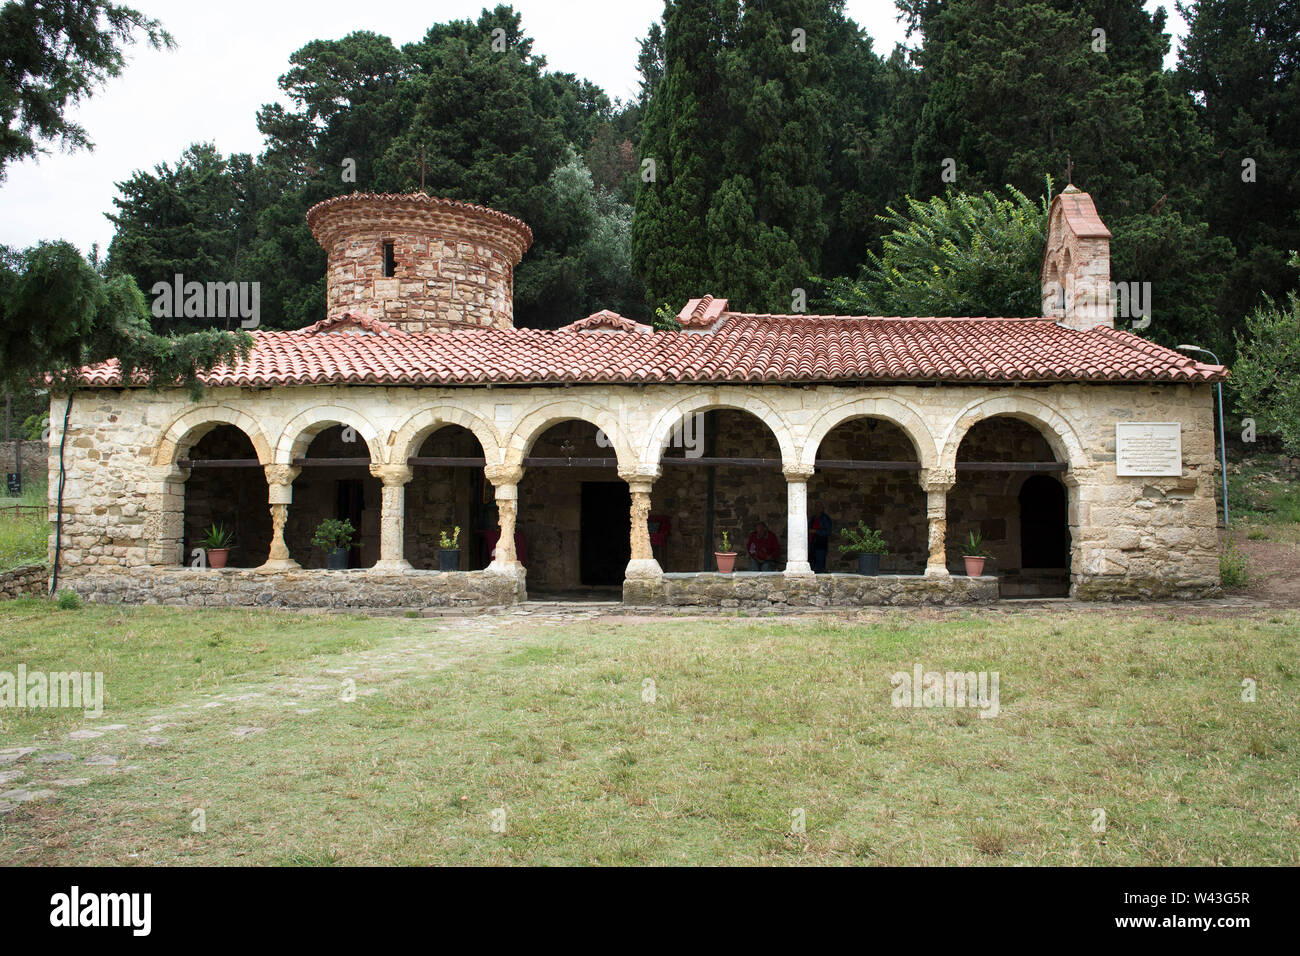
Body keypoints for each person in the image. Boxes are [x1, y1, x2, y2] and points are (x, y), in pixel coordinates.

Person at [809, 501, 832, 572]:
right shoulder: (813, 518)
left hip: (821, 545)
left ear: (823, 508)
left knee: (820, 567)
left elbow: (828, 532)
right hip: (812, 545)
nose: (817, 508)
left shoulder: (825, 518)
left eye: (819, 506)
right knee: (811, 567)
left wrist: (816, 531)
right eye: (816, 506)